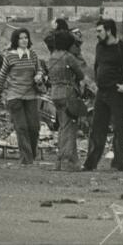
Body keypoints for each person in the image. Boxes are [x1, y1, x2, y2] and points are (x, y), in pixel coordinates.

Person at [82, 18, 123, 172]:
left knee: (119, 129)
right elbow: (96, 67)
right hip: (101, 92)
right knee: (97, 128)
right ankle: (90, 163)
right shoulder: (99, 47)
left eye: (99, 31)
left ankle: (119, 164)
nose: (97, 34)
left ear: (109, 31)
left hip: (117, 93)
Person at [0, 27, 45, 165]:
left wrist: (39, 75)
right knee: (21, 127)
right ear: (16, 40)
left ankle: (31, 154)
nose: (24, 40)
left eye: (26, 37)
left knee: (34, 127)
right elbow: (2, 76)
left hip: (31, 95)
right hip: (14, 96)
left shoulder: (33, 54)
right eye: (21, 38)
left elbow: (39, 69)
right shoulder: (9, 56)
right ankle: (26, 159)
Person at [47, 30, 88, 170]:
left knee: (62, 126)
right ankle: (67, 161)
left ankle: (60, 161)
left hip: (54, 93)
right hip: (68, 93)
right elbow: (81, 74)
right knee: (69, 127)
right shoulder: (68, 57)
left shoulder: (52, 56)